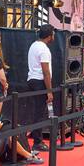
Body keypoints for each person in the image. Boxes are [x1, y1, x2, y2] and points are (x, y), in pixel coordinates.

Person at [26, 23, 55, 152]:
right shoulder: (43, 49)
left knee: (36, 111)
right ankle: (37, 142)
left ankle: (36, 137)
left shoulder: (34, 45)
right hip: (39, 82)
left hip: (32, 80)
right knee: (39, 112)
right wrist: (49, 91)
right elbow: (46, 72)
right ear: (49, 36)